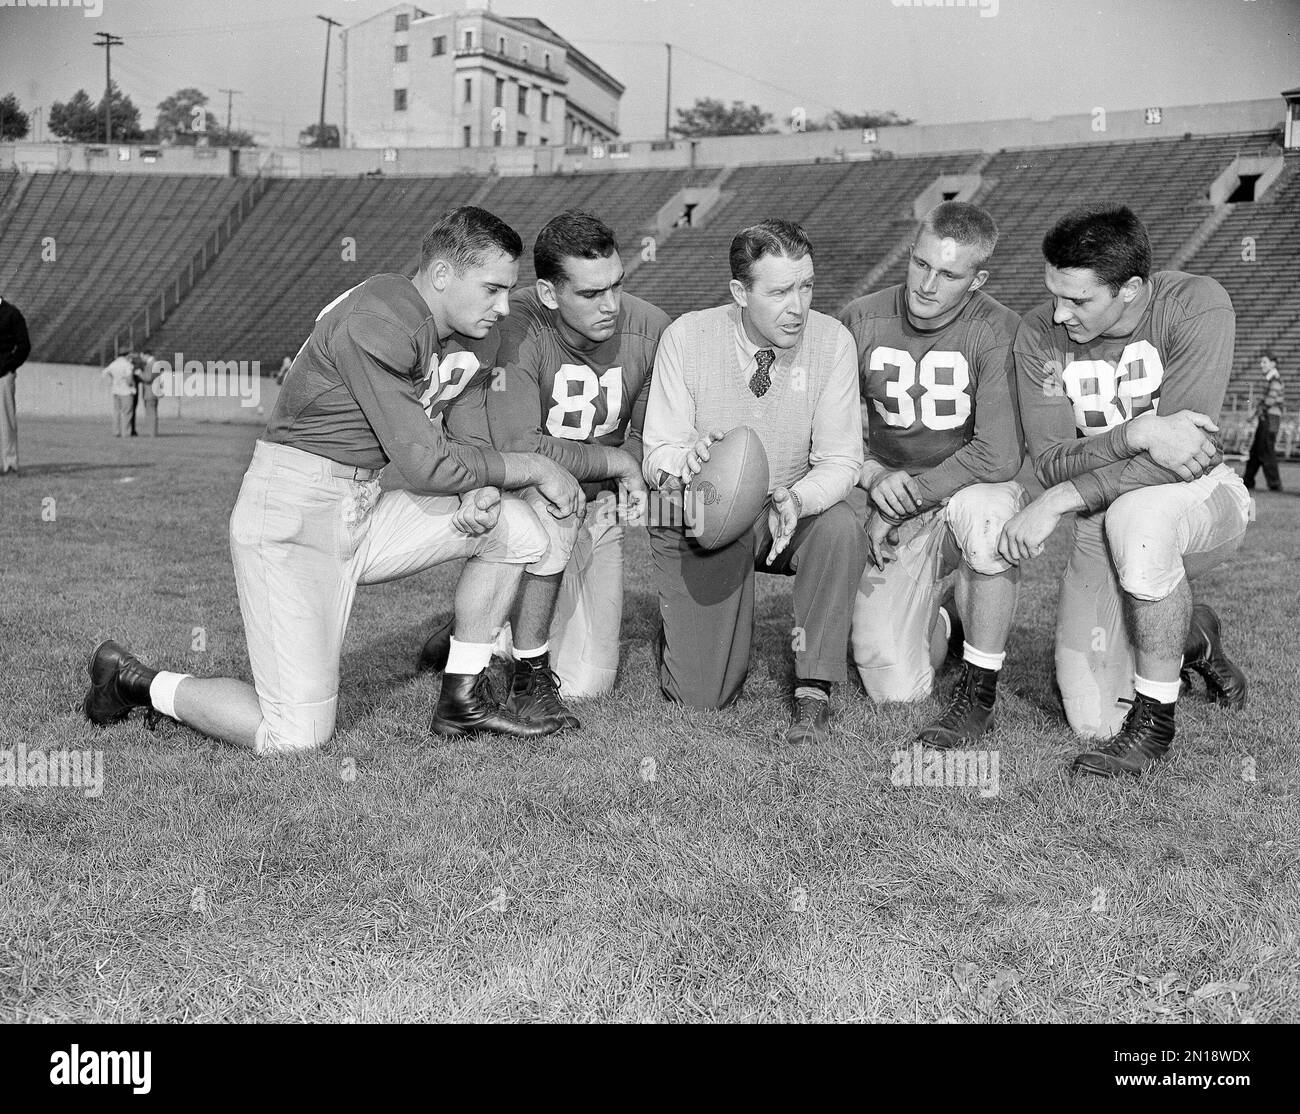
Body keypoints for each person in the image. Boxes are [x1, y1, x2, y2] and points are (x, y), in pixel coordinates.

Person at [82, 206, 587, 753]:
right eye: (491, 289)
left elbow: (450, 436)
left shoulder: (437, 325)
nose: (502, 307)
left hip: (360, 504)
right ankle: (133, 681)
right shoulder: (380, 319)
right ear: (442, 274)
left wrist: (480, 487)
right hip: (294, 517)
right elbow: (422, 463)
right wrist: (534, 465)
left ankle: (462, 700)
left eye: (508, 291)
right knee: (296, 736)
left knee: (516, 528)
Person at [1004, 204, 1251, 777]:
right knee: (1090, 719)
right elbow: (1049, 461)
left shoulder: (1195, 304)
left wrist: (1063, 498)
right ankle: (1192, 637)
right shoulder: (1040, 333)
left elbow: (1187, 456)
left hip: (1200, 497)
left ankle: (1155, 723)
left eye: (1080, 300)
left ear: (1133, 288)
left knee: (1139, 518)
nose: (1060, 313)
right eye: (1054, 293)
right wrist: (1136, 432)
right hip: (1099, 515)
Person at [422, 210, 668, 727]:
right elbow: (521, 446)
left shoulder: (651, 329)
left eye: (617, 286)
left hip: (598, 510)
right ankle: (517, 662)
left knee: (588, 682)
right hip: (534, 496)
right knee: (548, 493)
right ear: (551, 294)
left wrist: (632, 464)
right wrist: (614, 459)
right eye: (591, 293)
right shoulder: (514, 328)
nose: (611, 305)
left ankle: (475, 628)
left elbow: (650, 431)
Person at [642, 218, 866, 745]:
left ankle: (814, 685)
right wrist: (687, 464)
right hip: (707, 510)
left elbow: (841, 459)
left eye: (806, 286)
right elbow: (658, 452)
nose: (798, 306)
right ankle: (686, 636)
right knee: (702, 698)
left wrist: (799, 497)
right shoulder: (687, 337)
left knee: (840, 527)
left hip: (788, 507)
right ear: (740, 292)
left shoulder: (832, 341)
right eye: (781, 291)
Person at [840, 201, 1025, 748]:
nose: (926, 285)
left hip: (960, 495)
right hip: (889, 492)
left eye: (948, 274)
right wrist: (874, 479)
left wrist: (905, 500)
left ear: (977, 279)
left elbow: (996, 455)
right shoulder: (861, 318)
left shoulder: (997, 329)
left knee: (987, 513)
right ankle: (947, 620)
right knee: (893, 686)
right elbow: (830, 431)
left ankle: (979, 682)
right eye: (920, 264)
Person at [1243, 350, 1285, 493]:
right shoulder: (1270, 379)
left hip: (1270, 418)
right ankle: (1247, 481)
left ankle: (1275, 484)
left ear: (1272, 363)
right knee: (1256, 451)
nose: (1261, 364)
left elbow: (1269, 401)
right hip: (1267, 418)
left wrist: (1255, 412)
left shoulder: (1274, 379)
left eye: (1264, 362)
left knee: (1266, 451)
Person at [0, 294, 30, 476]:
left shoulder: (11, 314)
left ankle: (10, 464)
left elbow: (24, 345)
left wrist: (9, 365)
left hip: (2, 374)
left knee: (6, 420)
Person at [102, 349, 138, 437]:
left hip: (116, 391)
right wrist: (133, 384)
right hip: (126, 391)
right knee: (127, 412)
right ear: (127, 355)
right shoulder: (127, 365)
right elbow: (129, 379)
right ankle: (126, 432)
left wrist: (113, 380)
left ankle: (116, 431)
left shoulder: (113, 364)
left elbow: (104, 373)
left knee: (116, 412)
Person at [133, 351, 161, 437]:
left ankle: (152, 432)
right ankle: (152, 432)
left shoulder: (151, 364)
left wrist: (139, 374)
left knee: (151, 412)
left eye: (142, 356)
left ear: (146, 355)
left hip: (150, 392)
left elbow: (148, 378)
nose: (142, 359)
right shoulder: (155, 363)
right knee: (152, 412)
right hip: (154, 391)